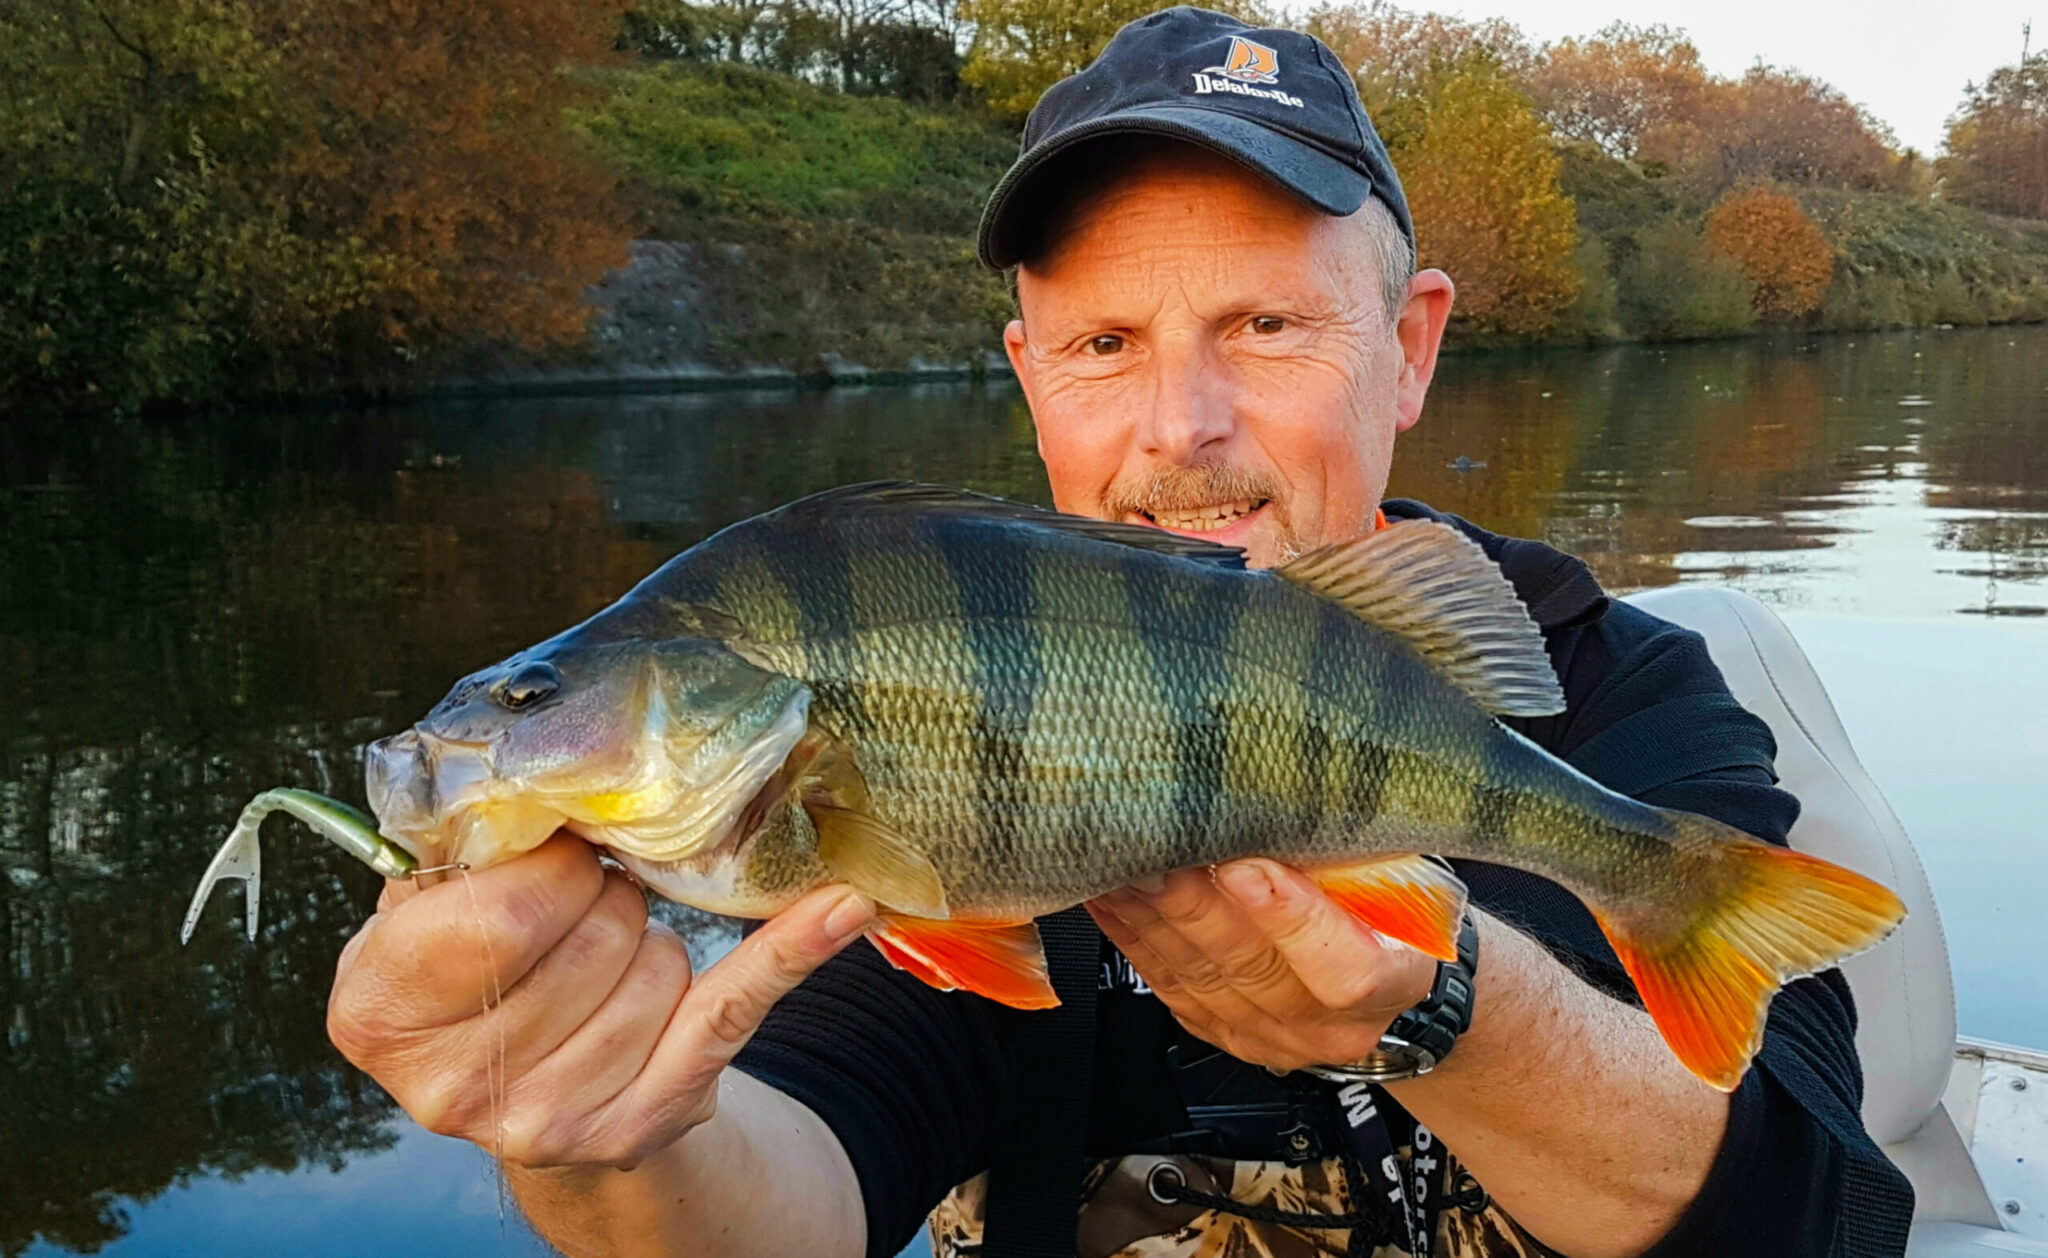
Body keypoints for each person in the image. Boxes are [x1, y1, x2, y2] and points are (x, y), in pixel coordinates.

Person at [325, 8, 1913, 1256]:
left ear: (1410, 348)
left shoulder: (1615, 695)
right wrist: (605, 1146)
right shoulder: (939, 716)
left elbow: (1824, 1213)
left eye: (1266, 326)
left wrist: (1443, 1007)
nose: (1182, 425)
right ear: (1026, 375)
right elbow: (786, 1182)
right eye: (1103, 342)